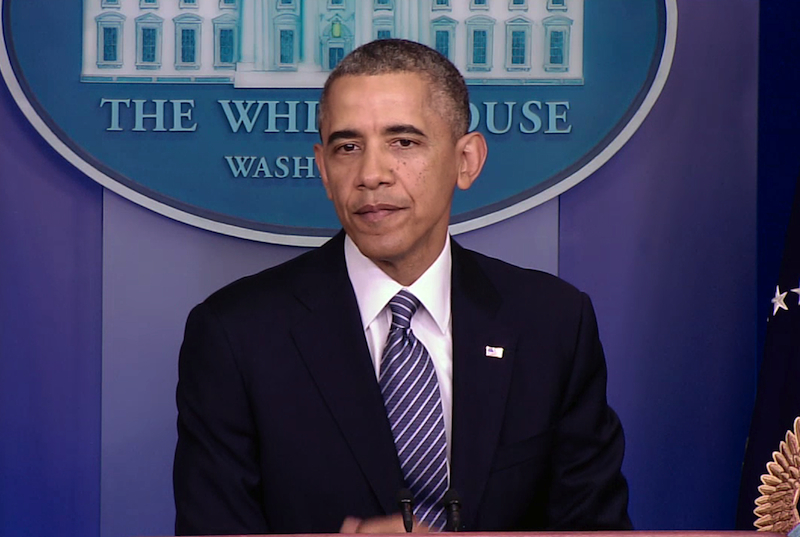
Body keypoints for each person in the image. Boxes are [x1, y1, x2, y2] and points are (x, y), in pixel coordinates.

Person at [173, 39, 630, 535]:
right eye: (348, 147)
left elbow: (594, 526)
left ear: (467, 160)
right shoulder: (235, 334)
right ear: (323, 170)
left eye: (403, 142)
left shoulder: (552, 324)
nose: (371, 174)